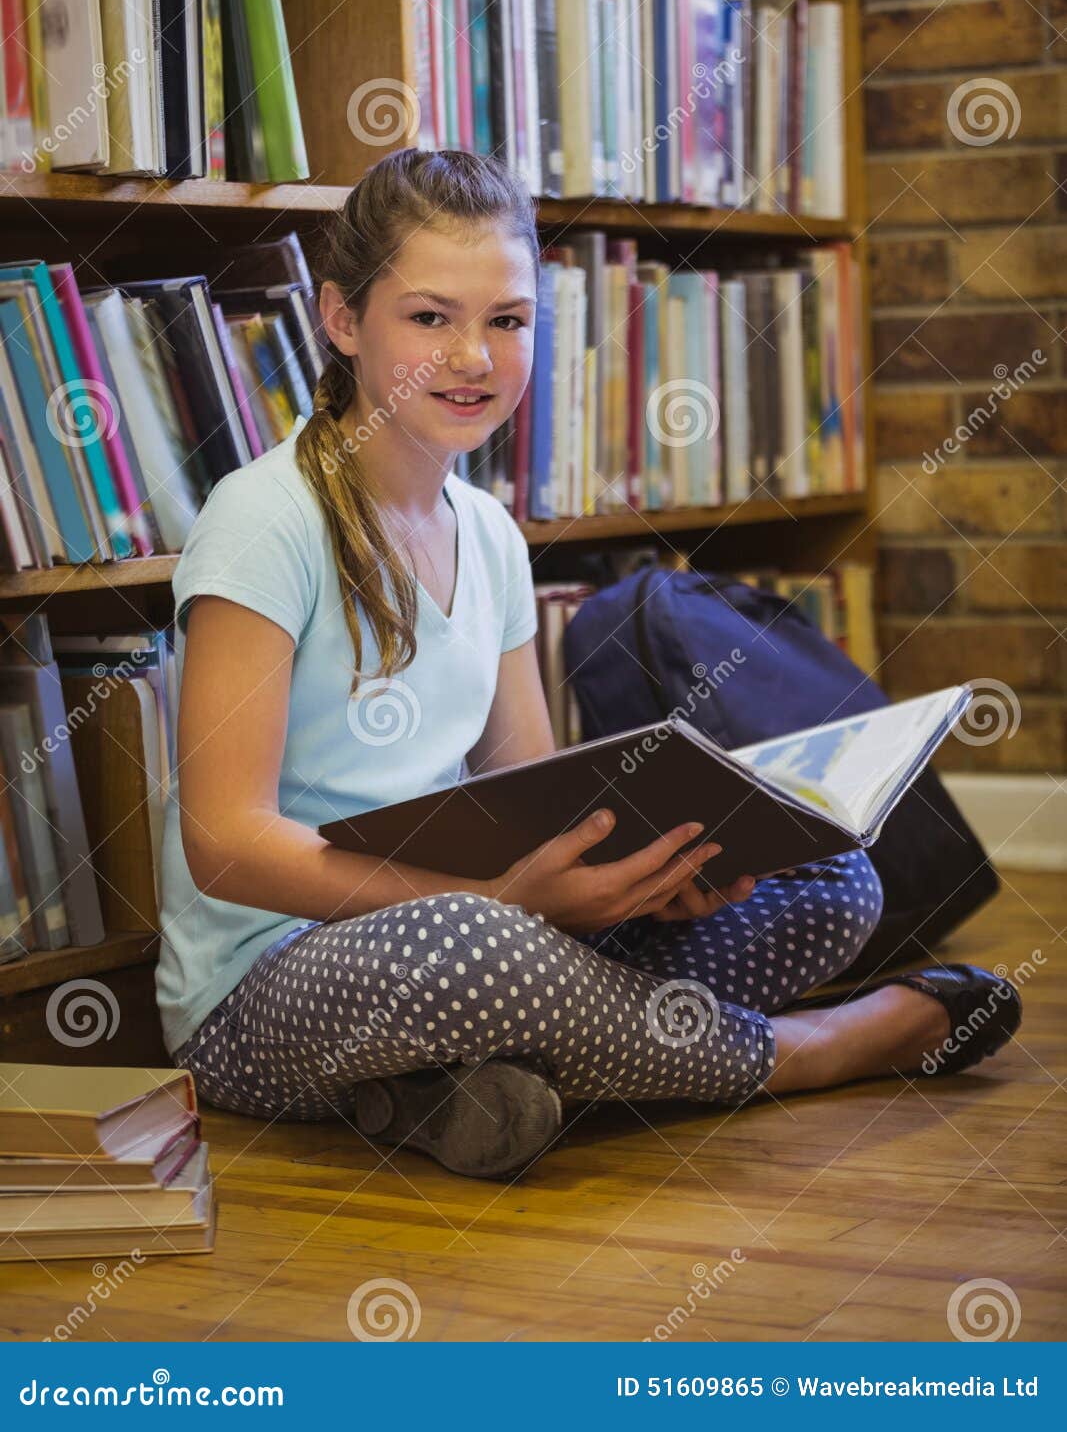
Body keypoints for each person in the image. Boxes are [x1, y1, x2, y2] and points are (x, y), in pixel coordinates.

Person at [156, 148, 1021, 1182]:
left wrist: (644, 874)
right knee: (485, 957)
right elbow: (226, 844)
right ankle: (797, 1051)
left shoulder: (486, 532)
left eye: (507, 320)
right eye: (430, 318)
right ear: (343, 321)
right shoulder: (263, 520)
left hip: (488, 930)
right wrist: (505, 907)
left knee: (832, 882)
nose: (473, 356)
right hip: (272, 987)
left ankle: (455, 1093)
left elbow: (533, 793)